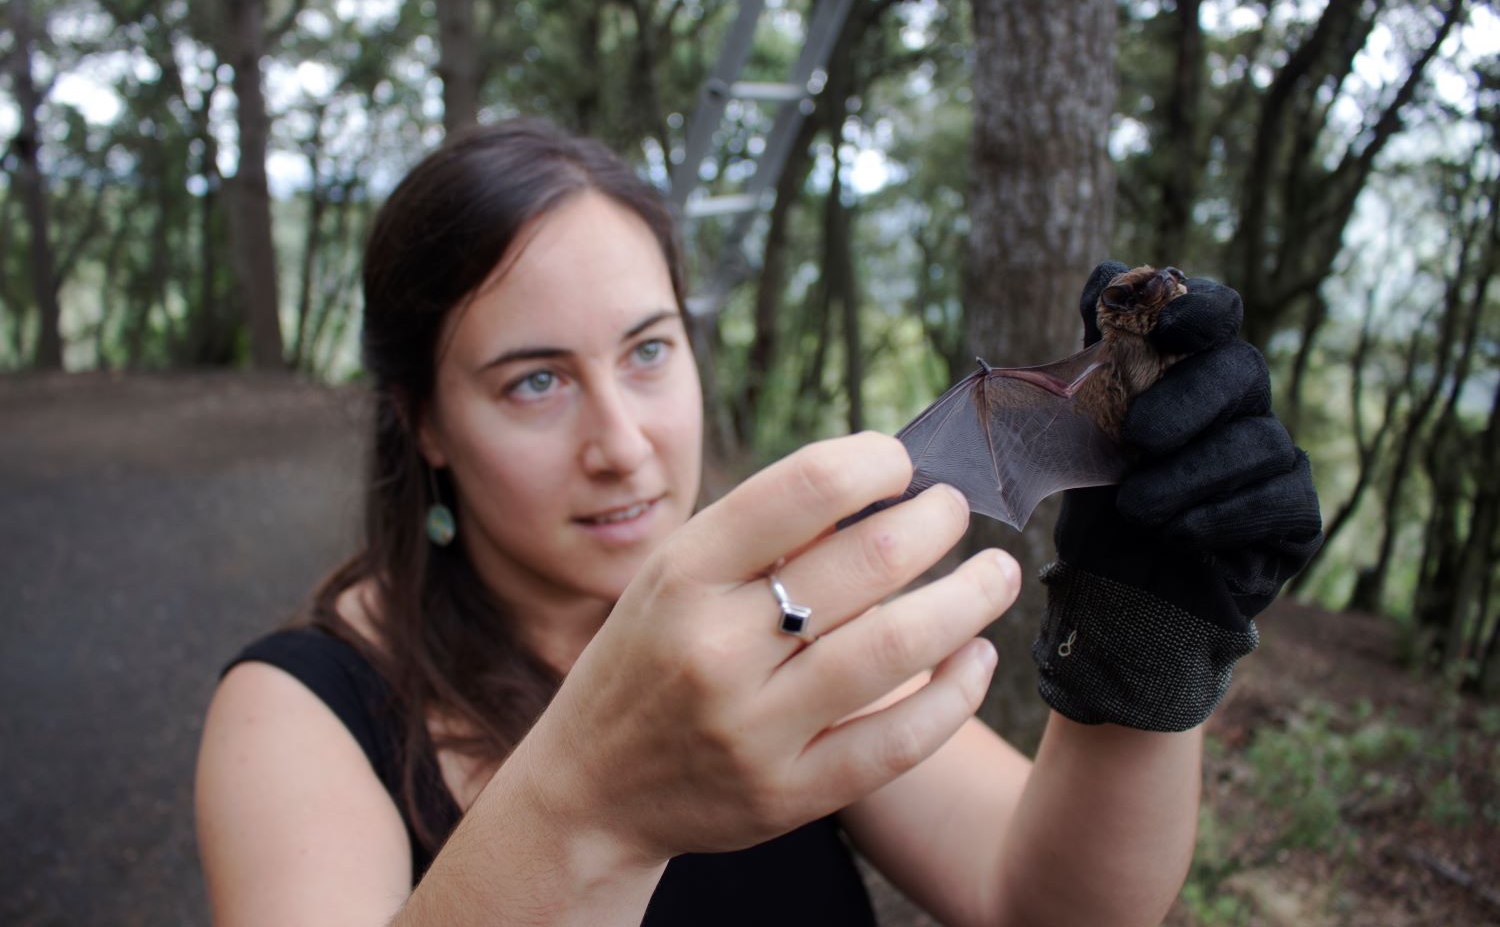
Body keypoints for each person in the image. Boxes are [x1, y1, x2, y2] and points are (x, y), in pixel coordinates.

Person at [195, 118, 1322, 926]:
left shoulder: (786, 611)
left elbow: (1051, 902)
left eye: (648, 350)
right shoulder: (297, 714)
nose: (625, 444)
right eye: (533, 381)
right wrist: (599, 803)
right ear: (424, 422)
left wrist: (1150, 645)